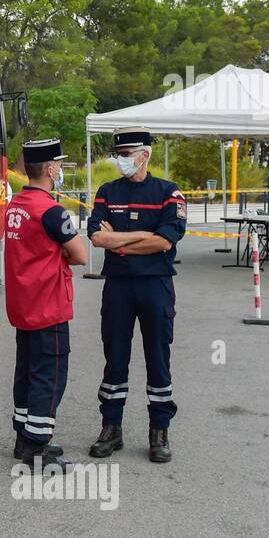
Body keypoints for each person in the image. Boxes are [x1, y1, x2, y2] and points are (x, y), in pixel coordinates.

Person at [86, 131, 187, 463]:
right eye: (118, 153)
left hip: (155, 285)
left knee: (158, 357)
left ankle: (159, 430)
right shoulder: (107, 192)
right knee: (115, 356)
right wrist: (143, 236)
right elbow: (98, 239)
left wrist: (122, 241)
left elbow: (164, 242)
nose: (121, 159)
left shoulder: (168, 192)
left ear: (145, 155)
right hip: (117, 285)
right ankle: (111, 427)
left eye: (127, 153)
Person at [4, 138, 88, 473]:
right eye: (59, 164)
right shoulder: (51, 211)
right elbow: (81, 255)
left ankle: (24, 438)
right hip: (48, 307)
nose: (60, 169)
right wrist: (62, 253)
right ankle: (38, 450)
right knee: (49, 377)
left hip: (24, 307)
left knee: (26, 372)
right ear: (50, 169)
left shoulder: (17, 205)